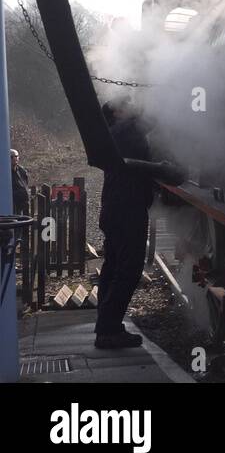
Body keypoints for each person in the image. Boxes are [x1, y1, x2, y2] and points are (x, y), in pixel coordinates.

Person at [94, 101, 154, 349]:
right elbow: (153, 121)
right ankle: (108, 330)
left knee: (113, 267)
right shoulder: (126, 131)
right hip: (128, 209)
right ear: (117, 113)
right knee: (128, 270)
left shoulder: (114, 133)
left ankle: (107, 324)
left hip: (116, 208)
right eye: (125, 104)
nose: (132, 105)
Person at [10, 149, 28, 216]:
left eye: (16, 156)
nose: (15, 158)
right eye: (12, 157)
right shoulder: (4, 172)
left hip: (23, 203)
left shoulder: (22, 171)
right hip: (12, 203)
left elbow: (25, 184)